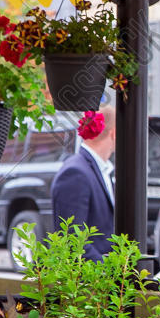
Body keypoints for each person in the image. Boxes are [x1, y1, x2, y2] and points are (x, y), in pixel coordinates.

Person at [50, 104, 116, 260]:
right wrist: (108, 271)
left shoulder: (100, 170)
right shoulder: (75, 173)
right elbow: (72, 241)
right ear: (113, 134)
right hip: (90, 278)